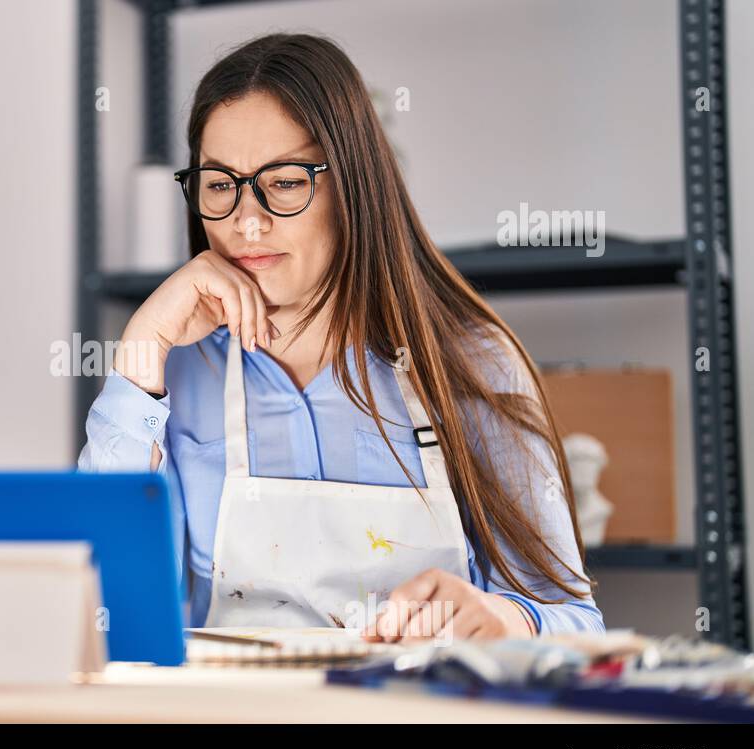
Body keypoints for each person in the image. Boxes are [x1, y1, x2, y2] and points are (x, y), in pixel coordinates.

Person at [79, 33, 604, 641]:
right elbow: (100, 617)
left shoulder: (471, 361)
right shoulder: (177, 372)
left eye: (284, 181)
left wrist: (505, 618)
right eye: (220, 184)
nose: (249, 222)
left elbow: (577, 625)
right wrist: (141, 348)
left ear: (352, 186)